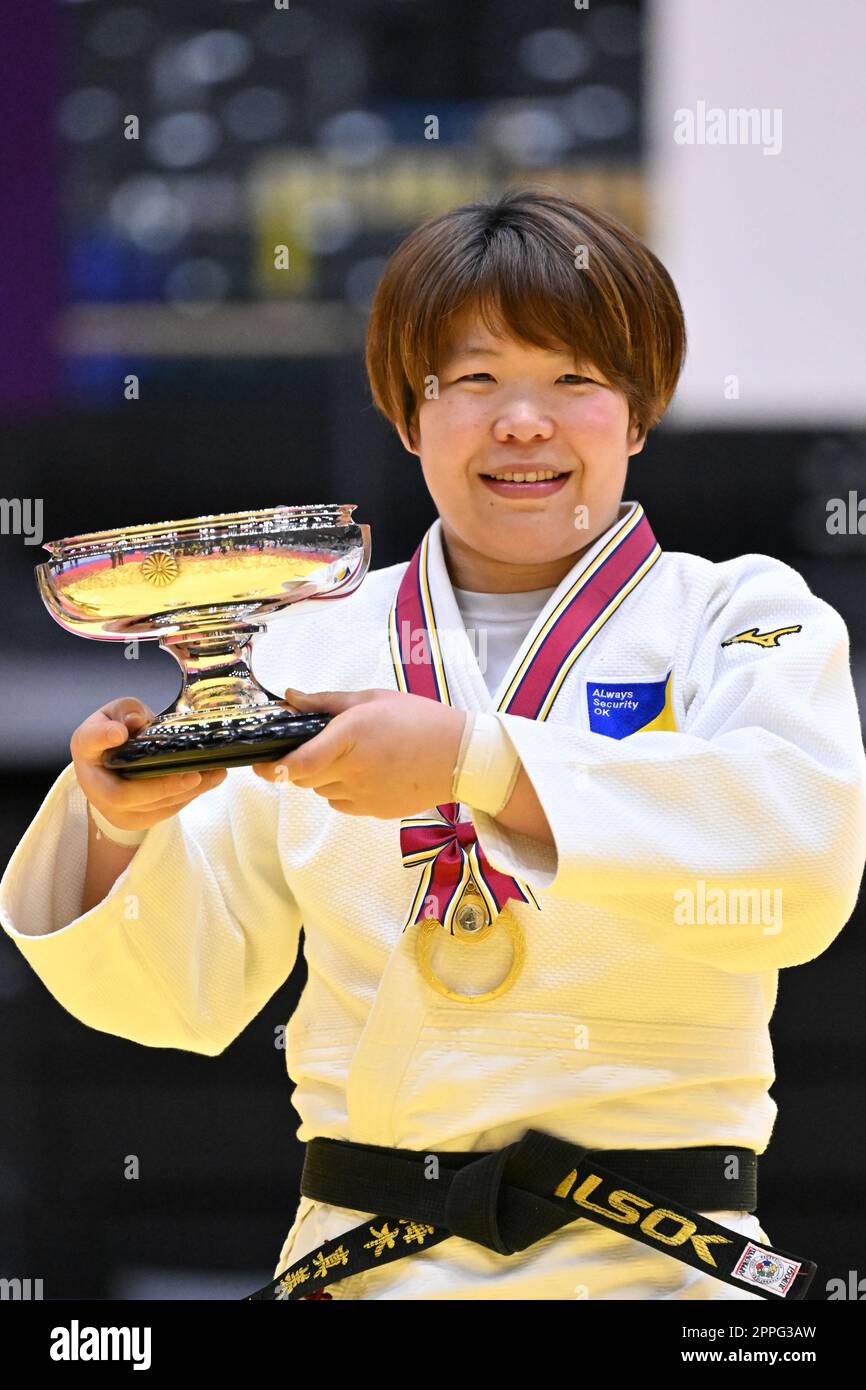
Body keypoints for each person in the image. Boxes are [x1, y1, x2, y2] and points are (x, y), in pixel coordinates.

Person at [2, 187, 865, 1301]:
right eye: (473, 380)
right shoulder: (310, 646)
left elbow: (792, 867)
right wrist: (120, 826)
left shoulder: (742, 616)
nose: (521, 421)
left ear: (638, 413)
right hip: (368, 1267)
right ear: (406, 416)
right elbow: (176, 993)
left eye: (573, 380)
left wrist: (476, 759)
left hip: (661, 1269)